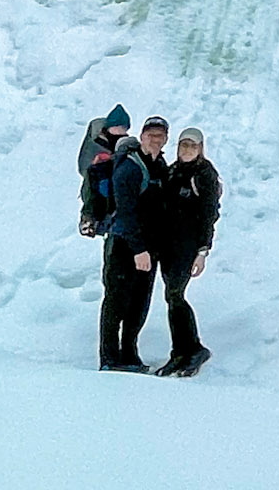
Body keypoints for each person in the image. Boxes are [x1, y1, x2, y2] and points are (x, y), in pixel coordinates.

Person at [98, 115, 168, 372]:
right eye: (151, 135)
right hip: (124, 246)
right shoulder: (129, 167)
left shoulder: (160, 166)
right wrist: (139, 249)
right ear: (141, 136)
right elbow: (126, 212)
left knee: (139, 304)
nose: (155, 139)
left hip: (149, 249)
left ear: (165, 139)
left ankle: (129, 352)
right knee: (116, 301)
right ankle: (109, 358)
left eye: (160, 136)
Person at [156, 126, 222, 377]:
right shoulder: (173, 171)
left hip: (188, 246)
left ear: (201, 149)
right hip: (168, 245)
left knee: (175, 293)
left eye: (193, 146)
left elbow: (209, 214)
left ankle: (193, 348)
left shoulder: (204, 174)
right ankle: (181, 350)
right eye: (184, 145)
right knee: (171, 296)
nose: (187, 149)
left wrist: (203, 251)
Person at [77, 105, 129, 237]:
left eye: (124, 129)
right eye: (118, 128)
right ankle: (89, 218)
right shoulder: (96, 144)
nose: (120, 132)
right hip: (101, 186)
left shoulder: (121, 144)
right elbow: (86, 167)